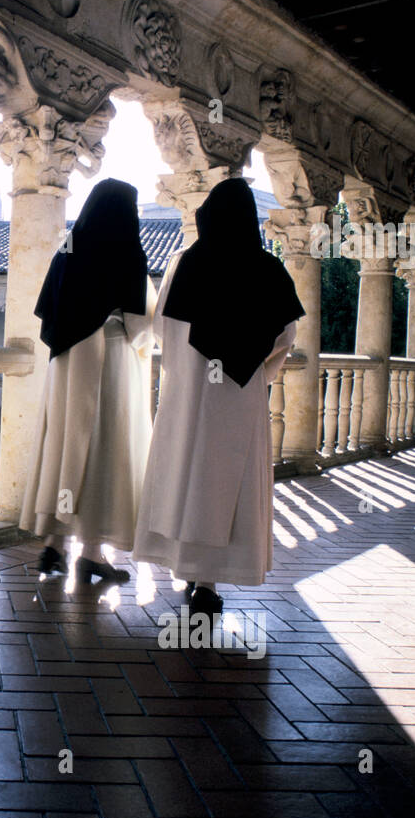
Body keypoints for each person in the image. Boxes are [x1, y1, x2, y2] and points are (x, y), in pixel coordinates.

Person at [134, 177, 304, 615]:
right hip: (240, 396)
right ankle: (208, 583)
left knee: (187, 477)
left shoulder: (183, 263)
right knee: (230, 483)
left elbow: (162, 331)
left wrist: (185, 373)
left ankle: (189, 568)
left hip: (190, 396)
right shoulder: (270, 270)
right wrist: (254, 373)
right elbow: (284, 338)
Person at [20, 179, 157, 585]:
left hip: (65, 363)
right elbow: (142, 325)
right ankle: (92, 553)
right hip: (110, 362)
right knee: (103, 451)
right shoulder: (126, 253)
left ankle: (54, 544)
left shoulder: (68, 248)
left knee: (65, 445)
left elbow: (47, 311)